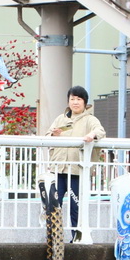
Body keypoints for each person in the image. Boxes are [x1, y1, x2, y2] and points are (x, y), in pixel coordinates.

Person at [43, 86, 105, 242]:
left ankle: (75, 238)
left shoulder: (90, 119)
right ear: (68, 101)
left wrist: (91, 135)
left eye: (79, 99)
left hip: (77, 171)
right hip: (59, 169)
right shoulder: (60, 119)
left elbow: (100, 131)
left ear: (85, 102)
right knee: (54, 205)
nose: (75, 102)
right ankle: (54, 238)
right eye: (72, 99)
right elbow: (47, 136)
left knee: (75, 206)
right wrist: (54, 134)